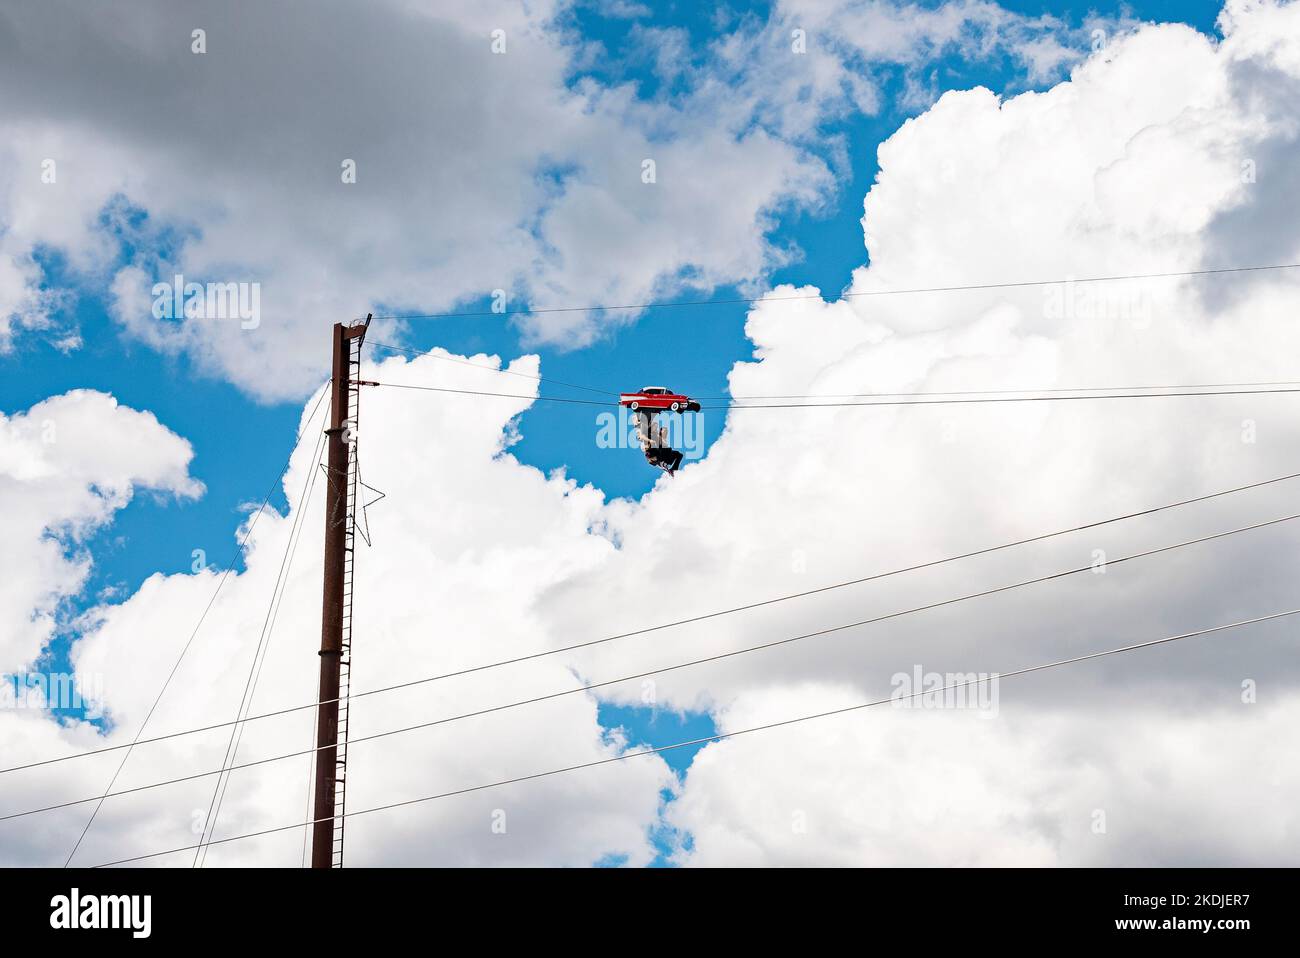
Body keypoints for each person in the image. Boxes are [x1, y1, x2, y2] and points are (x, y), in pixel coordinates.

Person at [634, 410, 684, 475]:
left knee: (679, 455)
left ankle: (673, 469)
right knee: (651, 441)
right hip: (652, 452)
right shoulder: (646, 432)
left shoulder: (656, 436)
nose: (656, 427)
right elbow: (642, 436)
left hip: (661, 454)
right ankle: (660, 462)